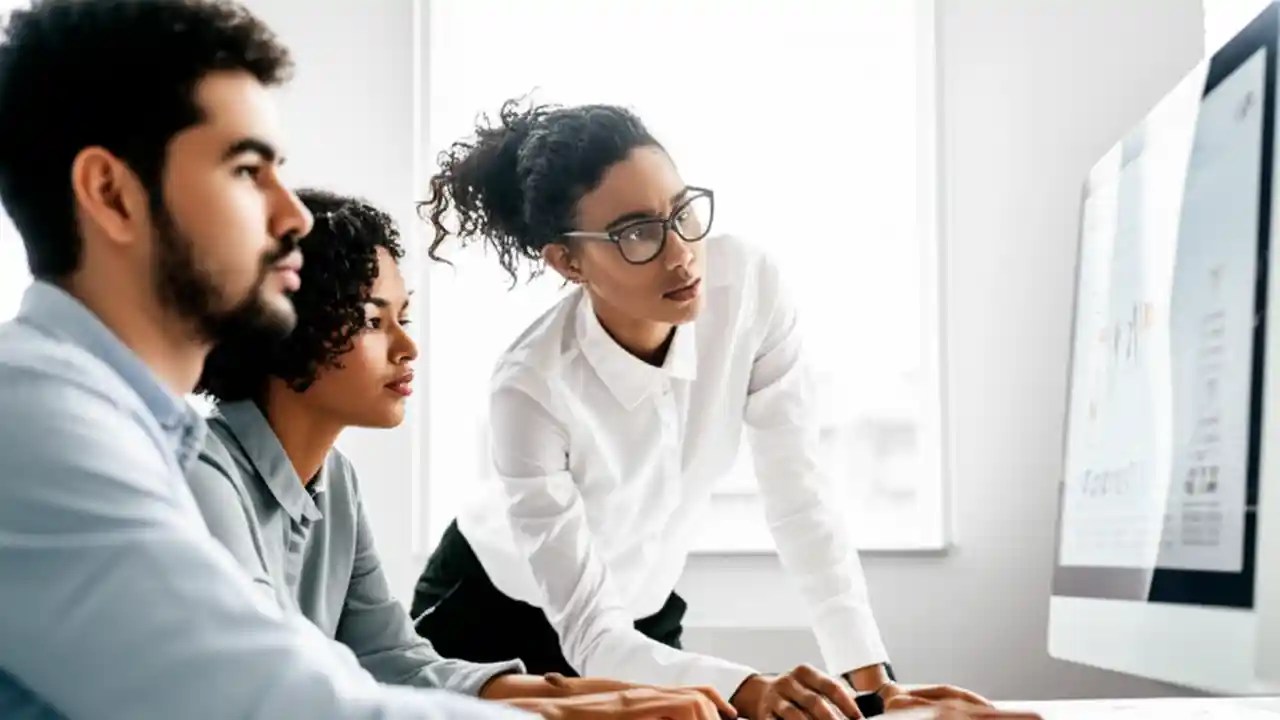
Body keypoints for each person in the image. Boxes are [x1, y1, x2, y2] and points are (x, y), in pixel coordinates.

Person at [412, 99, 1023, 720]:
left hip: (641, 620)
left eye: (681, 212)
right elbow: (592, 636)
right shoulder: (530, 385)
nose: (680, 253)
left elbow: (799, 495)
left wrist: (872, 686)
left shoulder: (748, 286)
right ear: (569, 261)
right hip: (489, 616)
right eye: (636, 234)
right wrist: (751, 686)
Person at [0, 2, 523, 718]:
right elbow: (267, 702)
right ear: (111, 194)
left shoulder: (124, 427)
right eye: (247, 170)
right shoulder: (32, 421)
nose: (294, 216)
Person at [191, 187, 736, 720]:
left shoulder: (336, 483)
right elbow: (267, 687)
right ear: (285, 325)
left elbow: (395, 662)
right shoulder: (203, 475)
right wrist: (591, 711)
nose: (407, 347)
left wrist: (596, 697)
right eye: (373, 321)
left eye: (404, 317)